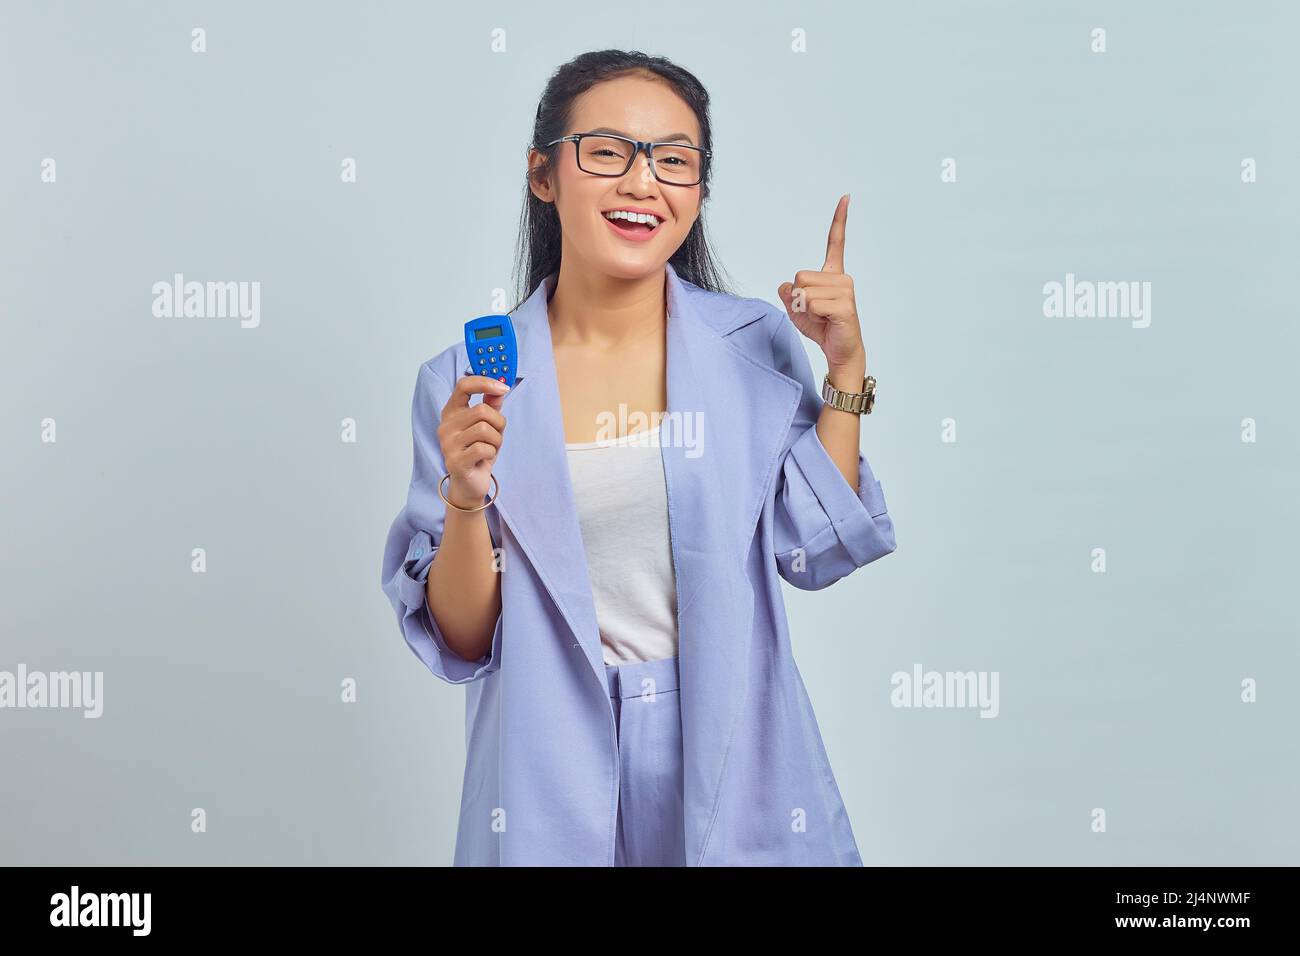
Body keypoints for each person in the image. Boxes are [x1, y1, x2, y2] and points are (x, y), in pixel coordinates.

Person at [381, 49, 896, 866]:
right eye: (608, 151)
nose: (641, 182)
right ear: (543, 175)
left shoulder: (750, 345)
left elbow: (815, 547)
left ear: (697, 190)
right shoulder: (466, 380)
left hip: (733, 748)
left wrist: (845, 373)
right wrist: (467, 498)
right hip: (546, 761)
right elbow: (465, 639)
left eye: (674, 160)